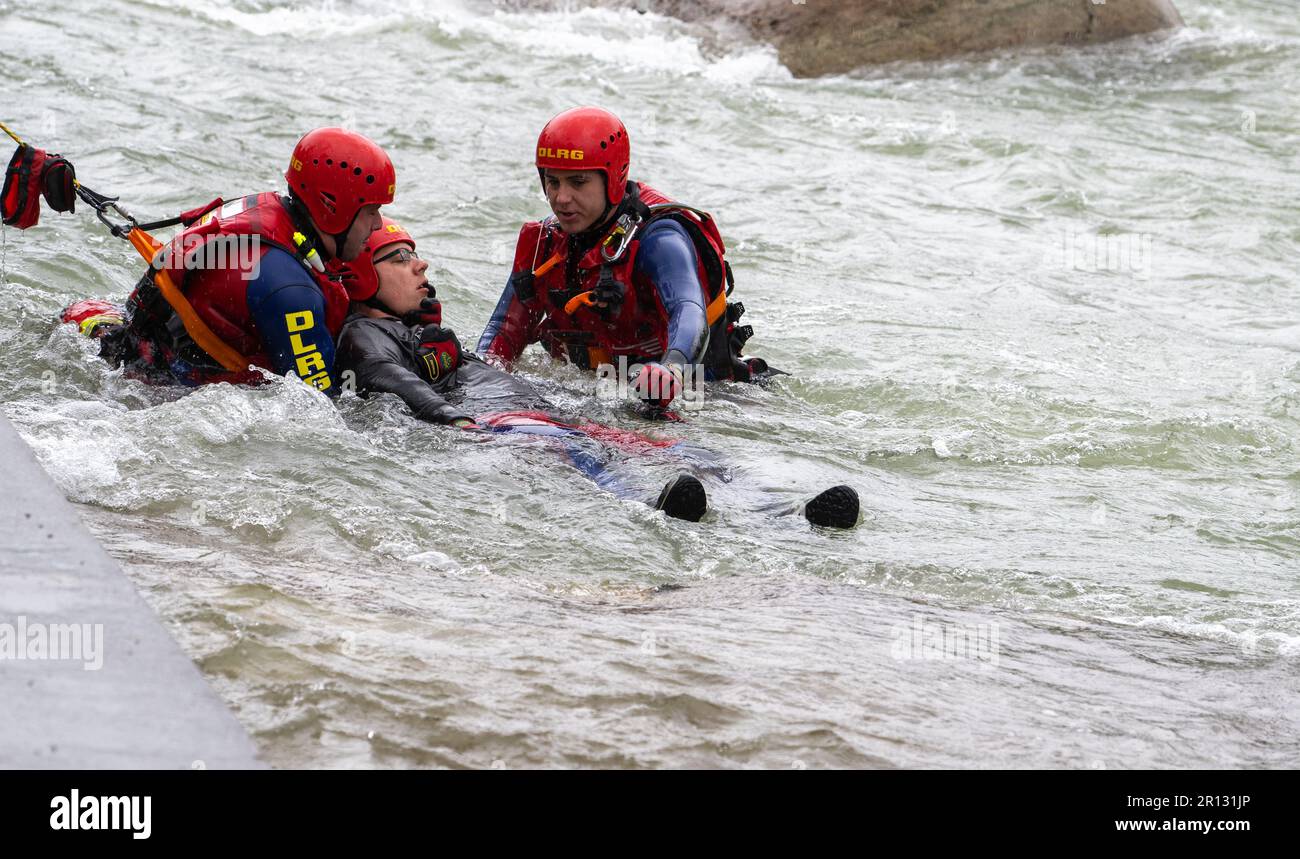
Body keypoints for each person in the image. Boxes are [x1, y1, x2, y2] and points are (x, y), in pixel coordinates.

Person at [337, 220, 860, 529]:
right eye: (400, 258)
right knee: (587, 460)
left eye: (414, 253)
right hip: (500, 423)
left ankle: (787, 514)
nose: (420, 265)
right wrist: (454, 422)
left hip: (542, 411)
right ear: (361, 274)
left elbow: (490, 354)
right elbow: (388, 379)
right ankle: (654, 508)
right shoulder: (365, 335)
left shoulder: (420, 328)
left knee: (686, 452)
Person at [477, 107, 776, 412]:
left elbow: (689, 311)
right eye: (553, 182)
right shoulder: (545, 243)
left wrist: (670, 370)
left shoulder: (661, 240)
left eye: (578, 183)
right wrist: (481, 374)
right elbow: (504, 330)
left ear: (614, 179)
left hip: (706, 397)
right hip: (592, 396)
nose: (561, 197)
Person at [65, 127, 395, 392]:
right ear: (333, 207)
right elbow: (319, 406)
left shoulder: (270, 211)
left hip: (122, 337)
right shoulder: (289, 290)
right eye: (371, 212)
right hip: (149, 392)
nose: (378, 225)